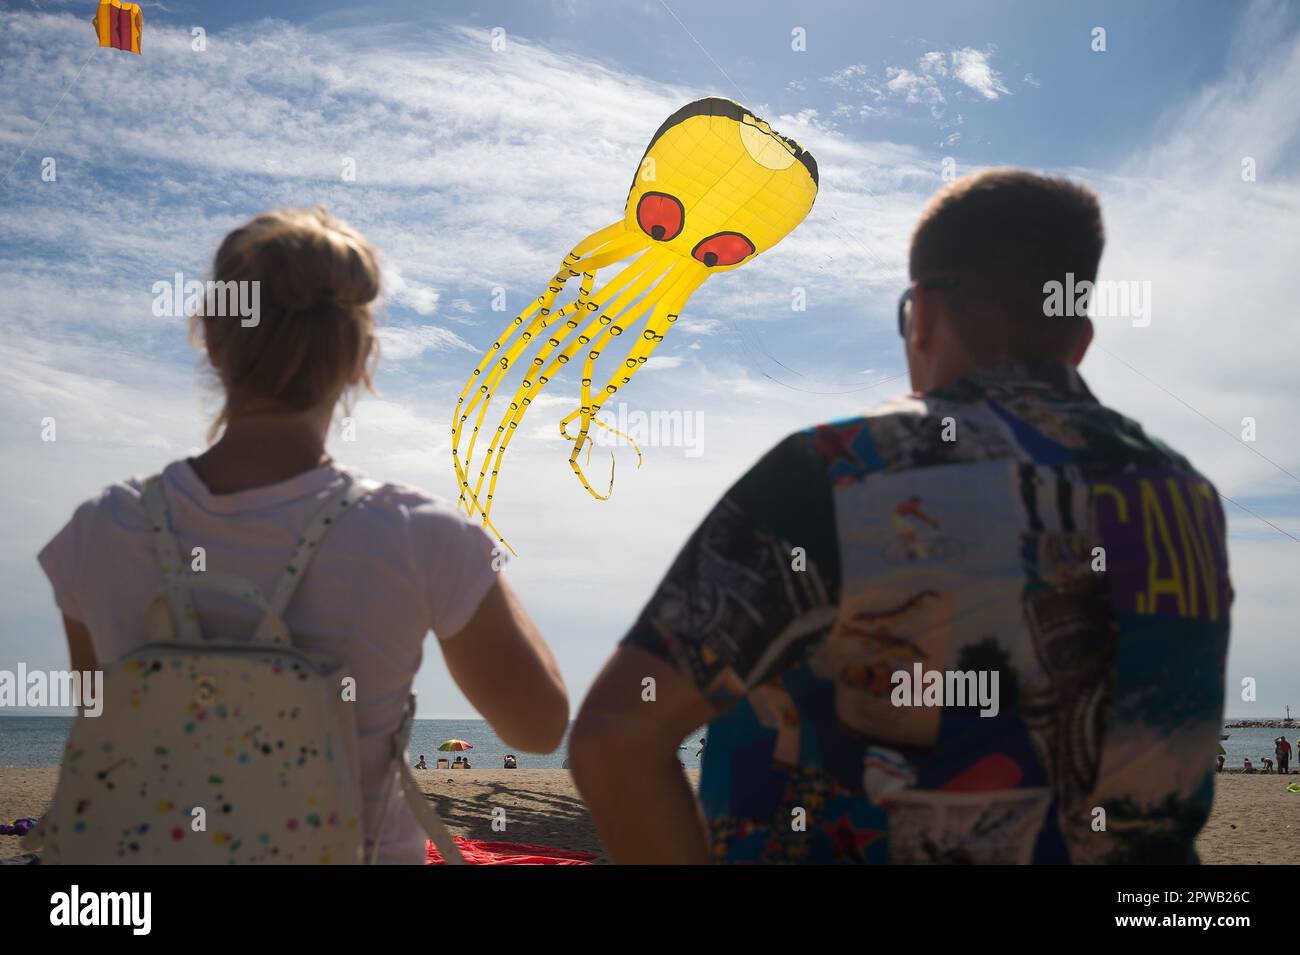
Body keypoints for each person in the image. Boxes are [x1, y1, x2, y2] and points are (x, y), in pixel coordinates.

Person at [571, 169, 1234, 865]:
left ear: (919, 316)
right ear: (1080, 337)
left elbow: (615, 736)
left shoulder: (842, 467)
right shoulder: (1189, 495)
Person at [37, 207, 569, 864]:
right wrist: (474, 559)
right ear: (361, 358)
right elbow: (540, 724)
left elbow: (105, 721)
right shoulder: (416, 533)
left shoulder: (103, 528)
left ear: (209, 338)